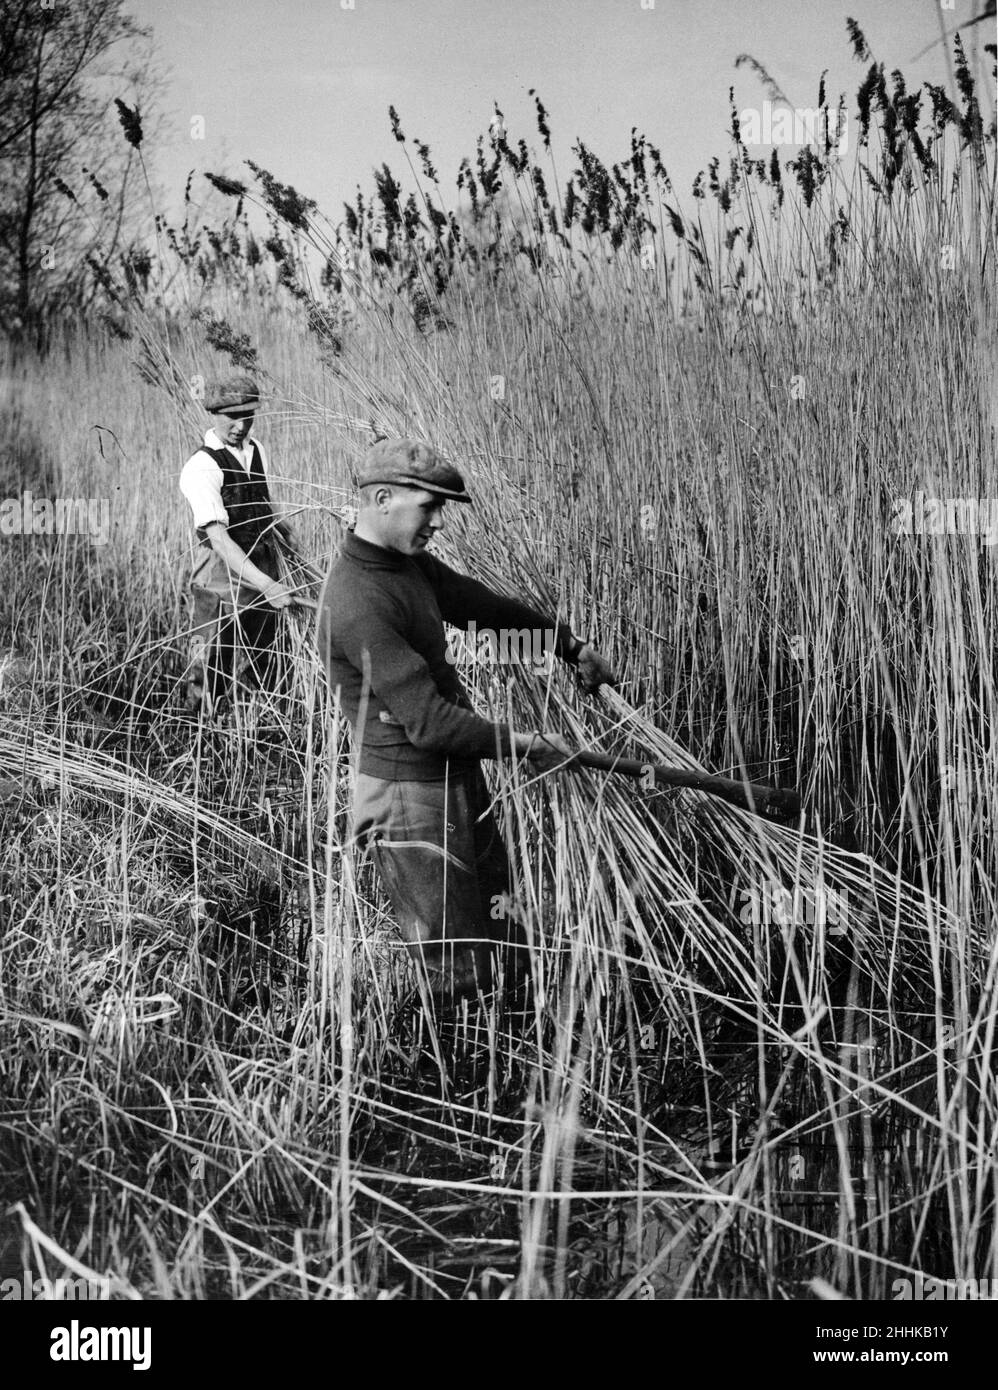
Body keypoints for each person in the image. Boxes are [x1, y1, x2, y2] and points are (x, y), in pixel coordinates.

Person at [316, 437, 616, 1008]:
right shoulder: (358, 600)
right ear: (382, 499)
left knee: (503, 925)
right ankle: (460, 1081)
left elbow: (478, 607)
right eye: (428, 508)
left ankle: (519, 1053)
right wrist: (526, 744)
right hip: (408, 795)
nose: (437, 523)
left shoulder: (407, 566)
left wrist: (568, 646)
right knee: (455, 964)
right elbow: (427, 723)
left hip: (452, 776)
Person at [179, 375, 300, 713]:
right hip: (219, 578)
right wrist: (268, 585)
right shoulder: (201, 466)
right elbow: (218, 538)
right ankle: (198, 733)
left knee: (264, 655)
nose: (241, 425)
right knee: (208, 662)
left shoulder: (257, 450)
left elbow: (265, 503)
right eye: (232, 416)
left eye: (249, 416)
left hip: (261, 570)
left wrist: (290, 541)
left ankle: (255, 724)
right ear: (213, 412)